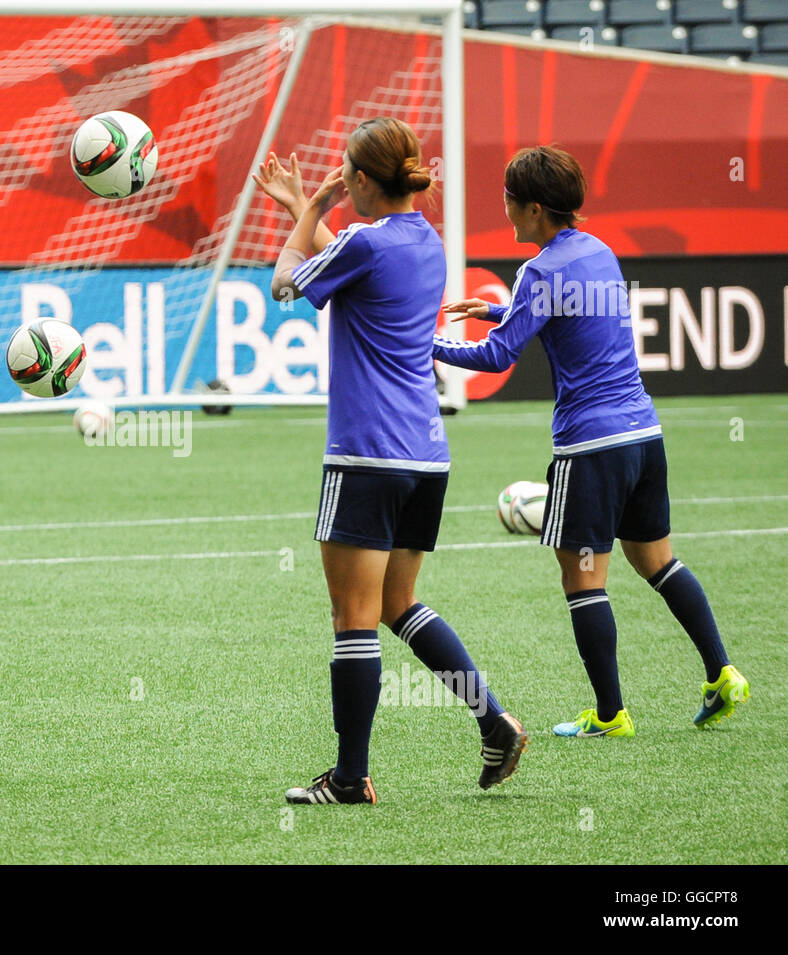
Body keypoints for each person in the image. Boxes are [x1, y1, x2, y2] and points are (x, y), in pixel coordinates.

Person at [434, 145, 749, 738]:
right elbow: (573, 315)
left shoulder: (538, 270)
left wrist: (423, 347)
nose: (501, 206)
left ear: (532, 208)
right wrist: (501, 310)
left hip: (590, 444)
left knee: (583, 578)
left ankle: (610, 715)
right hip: (643, 434)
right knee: (657, 559)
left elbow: (497, 357)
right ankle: (722, 671)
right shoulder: (599, 252)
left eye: (507, 198)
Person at [257, 119, 528, 806]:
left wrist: (309, 210)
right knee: (397, 602)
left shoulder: (364, 239)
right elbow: (349, 265)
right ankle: (492, 718)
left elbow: (285, 284)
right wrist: (306, 215)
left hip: (365, 453)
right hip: (425, 457)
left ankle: (350, 777)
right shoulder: (423, 240)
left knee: (354, 615)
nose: (340, 177)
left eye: (348, 170)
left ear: (367, 181)